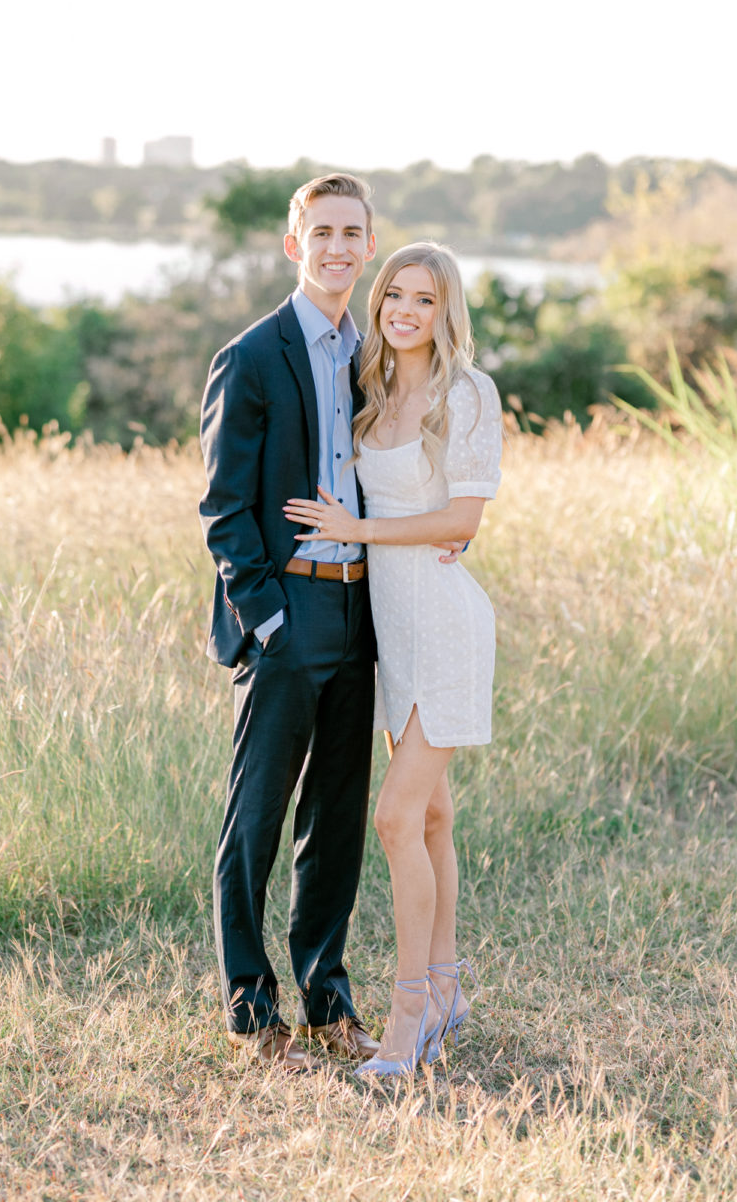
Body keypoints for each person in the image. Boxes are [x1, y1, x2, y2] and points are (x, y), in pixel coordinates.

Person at [284, 241, 503, 1077]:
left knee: (395, 817)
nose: (405, 312)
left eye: (424, 299)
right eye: (394, 297)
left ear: (447, 311)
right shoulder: (370, 390)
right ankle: (447, 985)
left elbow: (463, 523)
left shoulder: (469, 395)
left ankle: (409, 1014)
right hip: (390, 631)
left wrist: (359, 530)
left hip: (445, 624)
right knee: (435, 816)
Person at [198, 172, 385, 1072]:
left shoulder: (376, 355)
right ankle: (249, 1003)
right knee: (258, 816)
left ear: (370, 244)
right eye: (323, 233)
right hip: (286, 612)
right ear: (294, 245)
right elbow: (224, 509)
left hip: (360, 608)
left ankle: (327, 997)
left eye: (353, 232)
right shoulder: (254, 355)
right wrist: (266, 614)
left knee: (338, 814)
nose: (338, 248)